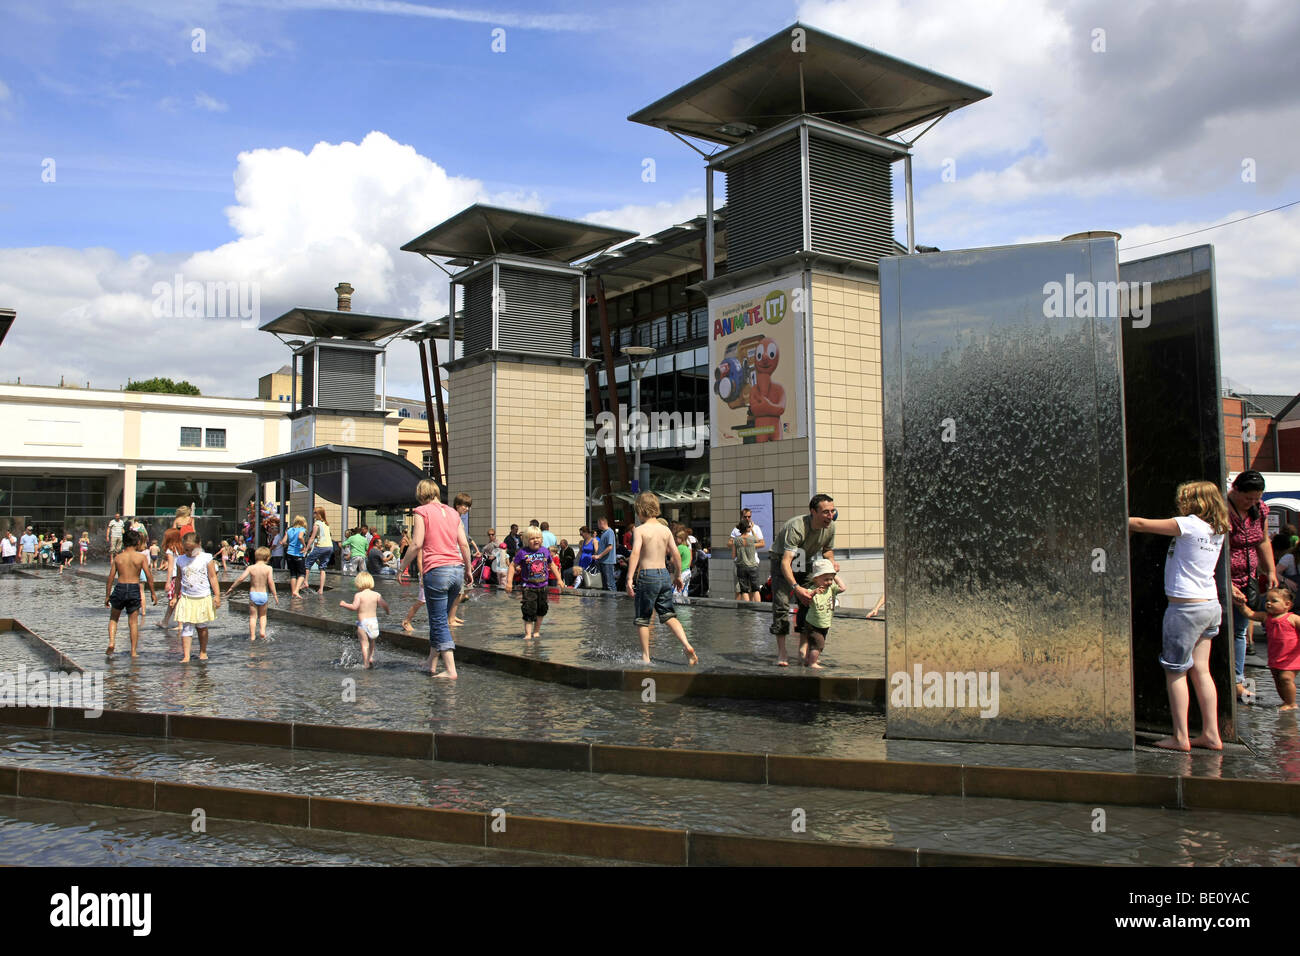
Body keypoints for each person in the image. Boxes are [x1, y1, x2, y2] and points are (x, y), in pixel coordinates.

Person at [1128, 480, 1228, 751]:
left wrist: (1111, 515)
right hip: (1209, 606)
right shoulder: (1217, 529)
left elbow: (1139, 524)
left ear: (1193, 501)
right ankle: (1211, 734)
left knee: (1175, 671)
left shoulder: (1190, 524)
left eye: (1183, 498)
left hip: (1185, 608)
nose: (1179, 503)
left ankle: (1181, 737)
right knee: (1202, 671)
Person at [398, 479, 473, 679]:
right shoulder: (453, 513)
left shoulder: (421, 512)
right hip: (456, 571)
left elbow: (416, 544)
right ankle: (431, 663)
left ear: (421, 495)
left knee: (439, 621)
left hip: (437, 571)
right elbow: (464, 544)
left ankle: (450, 669)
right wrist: (469, 569)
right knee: (438, 618)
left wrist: (402, 567)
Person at [626, 492, 696, 665]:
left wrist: (629, 579)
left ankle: (645, 657)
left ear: (640, 510)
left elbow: (635, 553)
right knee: (669, 615)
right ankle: (687, 645)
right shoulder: (665, 530)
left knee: (643, 618)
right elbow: (676, 555)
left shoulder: (640, 530)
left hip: (647, 575)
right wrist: (678, 575)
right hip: (664, 575)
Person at [769, 494, 838, 666]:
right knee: (782, 604)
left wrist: (832, 566)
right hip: (781, 561)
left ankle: (803, 648)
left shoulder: (830, 527)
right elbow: (786, 562)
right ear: (813, 512)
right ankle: (782, 652)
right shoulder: (797, 527)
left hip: (805, 561)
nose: (830, 516)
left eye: (832, 511)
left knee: (810, 602)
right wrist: (796, 588)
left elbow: (827, 551)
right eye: (825, 512)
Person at [1226, 471, 1276, 701]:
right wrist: (1225, 582)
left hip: (1248, 579)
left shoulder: (1261, 509)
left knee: (1239, 630)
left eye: (1256, 498)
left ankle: (1236, 680)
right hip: (1222, 578)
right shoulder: (1222, 508)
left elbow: (1263, 540)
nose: (1252, 503)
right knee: (1217, 630)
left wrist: (1271, 570)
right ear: (1235, 489)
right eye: (1248, 499)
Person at [1233, 586, 1300, 711]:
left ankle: (1291, 703)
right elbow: (1250, 614)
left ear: (1287, 604)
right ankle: (1285, 701)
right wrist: (1241, 605)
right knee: (1278, 680)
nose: (1268, 603)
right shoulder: (1265, 617)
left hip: (1291, 657)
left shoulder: (1293, 618)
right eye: (1267, 600)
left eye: (1274, 601)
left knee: (1285, 678)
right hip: (1275, 656)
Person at [105, 528, 156, 657]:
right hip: (134, 588)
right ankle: (133, 651)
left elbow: (110, 578)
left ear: (124, 542)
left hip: (120, 587)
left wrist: (107, 596)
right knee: (133, 622)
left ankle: (111, 642)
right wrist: (153, 593)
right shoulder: (141, 557)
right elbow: (149, 576)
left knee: (113, 618)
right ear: (137, 543)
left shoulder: (118, 558)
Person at [171, 531, 220, 662]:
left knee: (201, 626)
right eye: (186, 549)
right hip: (187, 598)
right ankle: (186, 655)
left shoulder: (206, 558)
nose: (189, 552)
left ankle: (203, 652)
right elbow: (178, 579)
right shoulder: (181, 560)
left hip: (203, 597)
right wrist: (175, 596)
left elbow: (212, 577)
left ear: (199, 545)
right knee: (186, 627)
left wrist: (217, 595)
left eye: (192, 549)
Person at [507, 527, 562, 640]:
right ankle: (528, 634)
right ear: (527, 540)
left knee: (541, 609)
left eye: (538, 538)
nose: (535, 540)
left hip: (543, 586)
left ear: (541, 539)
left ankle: (536, 631)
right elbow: (512, 566)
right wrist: (509, 582)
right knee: (529, 609)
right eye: (532, 538)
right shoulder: (523, 552)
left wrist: (559, 580)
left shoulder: (545, 551)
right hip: (528, 587)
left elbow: (552, 566)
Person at [797, 558, 847, 669]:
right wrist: (814, 592)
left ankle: (808, 659)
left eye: (831, 579)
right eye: (826, 579)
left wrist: (835, 575)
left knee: (815, 644)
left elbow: (843, 588)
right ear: (816, 579)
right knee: (818, 644)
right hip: (813, 624)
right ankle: (812, 663)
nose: (829, 582)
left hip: (824, 623)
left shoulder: (832, 589)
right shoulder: (812, 589)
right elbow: (807, 598)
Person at [340, 571, 389, 669]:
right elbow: (385, 604)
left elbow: (354, 607)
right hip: (374, 623)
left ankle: (366, 663)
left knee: (364, 644)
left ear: (359, 583)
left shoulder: (359, 595)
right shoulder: (376, 594)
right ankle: (371, 657)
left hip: (363, 624)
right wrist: (387, 611)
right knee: (372, 642)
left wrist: (344, 604)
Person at [229, 547, 279, 641]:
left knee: (253, 617)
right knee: (263, 616)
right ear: (268, 557)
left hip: (253, 594)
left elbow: (241, 578)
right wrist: (275, 595)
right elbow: (271, 582)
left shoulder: (251, 567)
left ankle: (252, 636)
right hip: (263, 594)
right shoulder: (269, 568)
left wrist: (232, 587)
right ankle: (262, 632)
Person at [448, 493, 475, 626]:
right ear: (457, 505)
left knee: (459, 591)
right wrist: (467, 562)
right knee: (458, 591)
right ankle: (451, 618)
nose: (467, 509)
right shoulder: (456, 519)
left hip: (456, 558)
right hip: (456, 558)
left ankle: (452, 616)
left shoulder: (453, 517)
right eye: (465, 505)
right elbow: (463, 544)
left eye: (468, 506)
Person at [154, 528, 184, 632]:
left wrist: (167, 582)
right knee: (176, 600)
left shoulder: (170, 550)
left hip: (175, 577)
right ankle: (165, 621)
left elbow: (170, 567)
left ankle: (179, 624)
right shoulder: (182, 549)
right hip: (183, 577)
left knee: (174, 600)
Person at [304, 506, 334, 595]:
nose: (313, 515)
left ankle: (305, 582)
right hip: (329, 547)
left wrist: (306, 549)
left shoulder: (317, 523)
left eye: (314, 513)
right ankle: (321, 589)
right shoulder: (326, 524)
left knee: (307, 563)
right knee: (322, 567)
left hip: (321, 546)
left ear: (318, 514)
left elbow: (312, 537)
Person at [731, 518, 761, 602]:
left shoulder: (736, 540)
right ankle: (759, 609)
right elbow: (758, 540)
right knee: (755, 589)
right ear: (748, 528)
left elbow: (733, 556)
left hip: (741, 566)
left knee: (744, 590)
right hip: (753, 566)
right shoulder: (752, 538)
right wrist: (752, 530)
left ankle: (747, 610)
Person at [285, 515, 308, 598]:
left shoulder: (289, 530)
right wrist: (304, 545)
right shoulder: (302, 529)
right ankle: (296, 590)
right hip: (298, 554)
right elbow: (300, 537)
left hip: (289, 554)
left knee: (293, 574)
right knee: (302, 574)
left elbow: (284, 541)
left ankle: (293, 593)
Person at [594, 515, 617, 592]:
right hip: (603, 561)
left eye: (598, 523)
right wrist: (597, 555)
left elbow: (610, 547)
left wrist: (599, 556)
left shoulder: (609, 532)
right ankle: (607, 602)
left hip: (608, 562)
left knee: (610, 584)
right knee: (605, 584)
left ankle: (612, 602)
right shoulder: (604, 533)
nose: (597, 525)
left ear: (602, 523)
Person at [673, 528, 693, 603]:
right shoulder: (687, 548)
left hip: (682, 572)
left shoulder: (680, 547)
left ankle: (678, 610)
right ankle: (685, 611)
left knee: (676, 592)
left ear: (681, 539)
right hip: (688, 571)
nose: (675, 540)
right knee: (685, 592)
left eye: (677, 538)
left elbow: (673, 559)